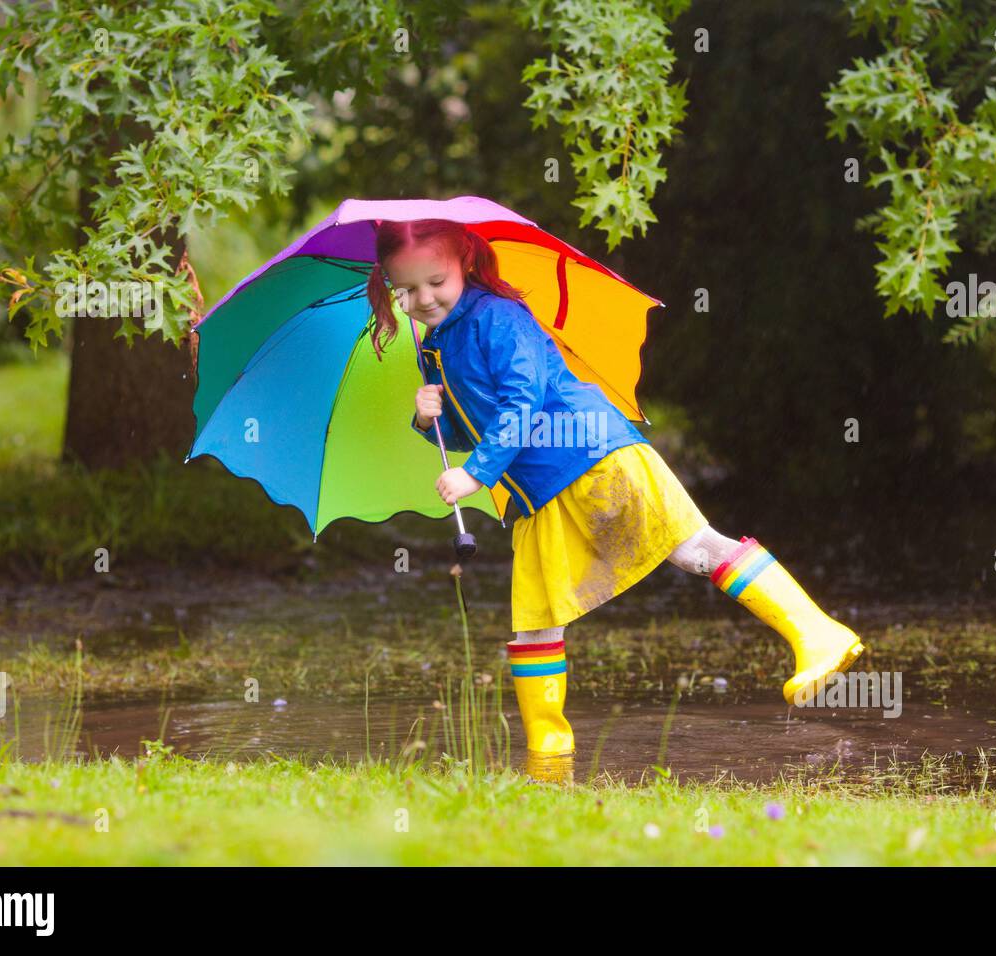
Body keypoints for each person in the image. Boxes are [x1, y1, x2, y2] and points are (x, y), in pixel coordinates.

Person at [364, 218, 865, 758]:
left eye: (436, 281)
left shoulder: (498, 317)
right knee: (534, 622)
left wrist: (476, 473)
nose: (424, 298)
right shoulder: (433, 347)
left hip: (591, 455)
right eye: (407, 290)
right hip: (537, 495)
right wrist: (427, 419)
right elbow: (467, 430)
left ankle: (816, 632)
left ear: (465, 260)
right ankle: (549, 751)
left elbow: (523, 400)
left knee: (693, 547)